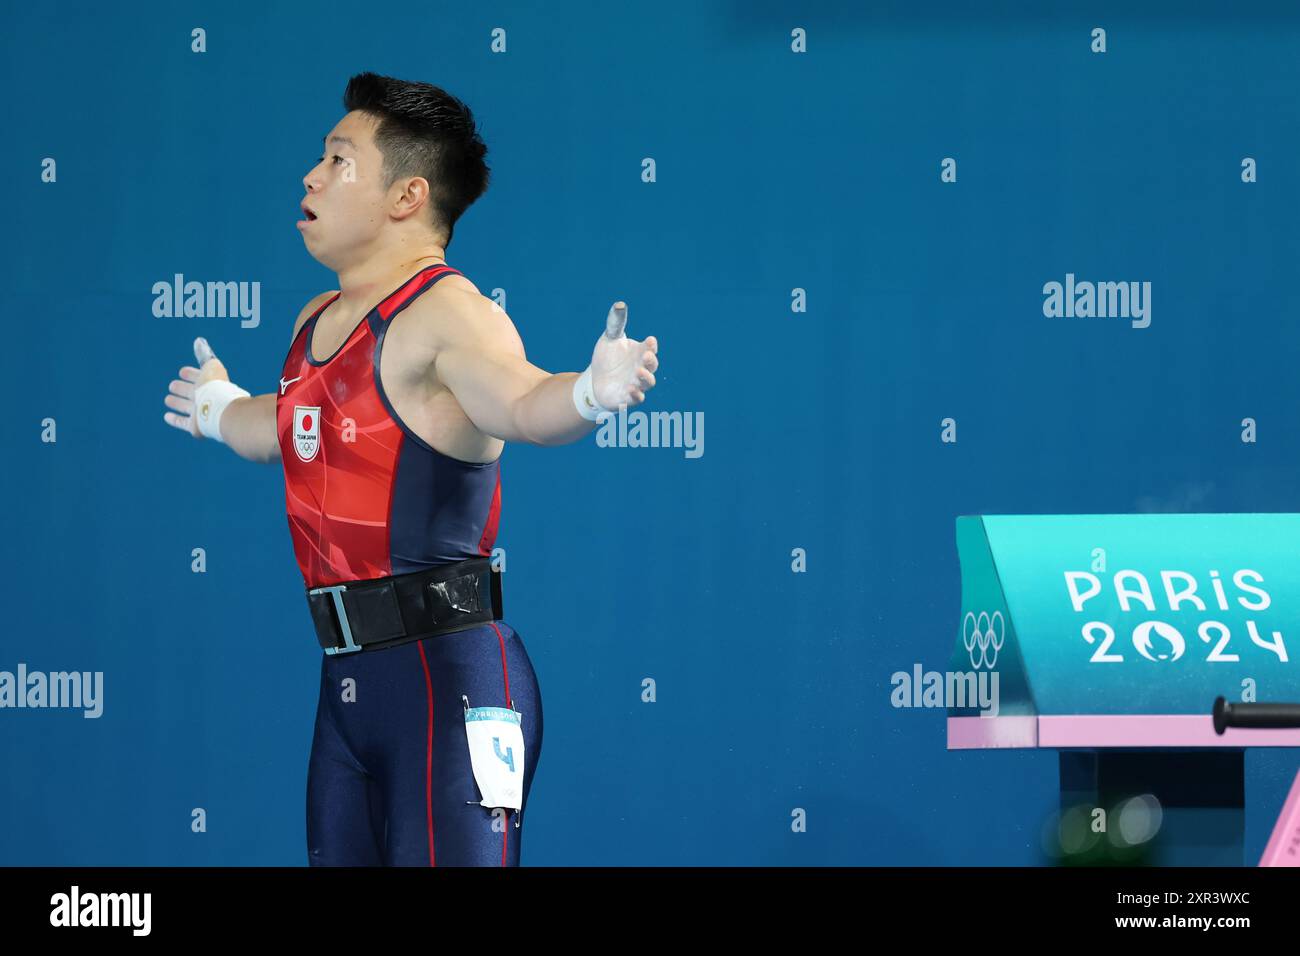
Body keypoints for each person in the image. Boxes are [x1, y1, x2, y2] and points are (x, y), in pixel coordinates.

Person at [161, 72, 659, 866]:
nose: (310, 176)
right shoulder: (314, 321)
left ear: (406, 196)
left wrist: (592, 393)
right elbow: (286, 429)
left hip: (452, 677)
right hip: (348, 692)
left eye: (338, 160)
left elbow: (525, 403)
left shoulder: (449, 313)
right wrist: (221, 409)